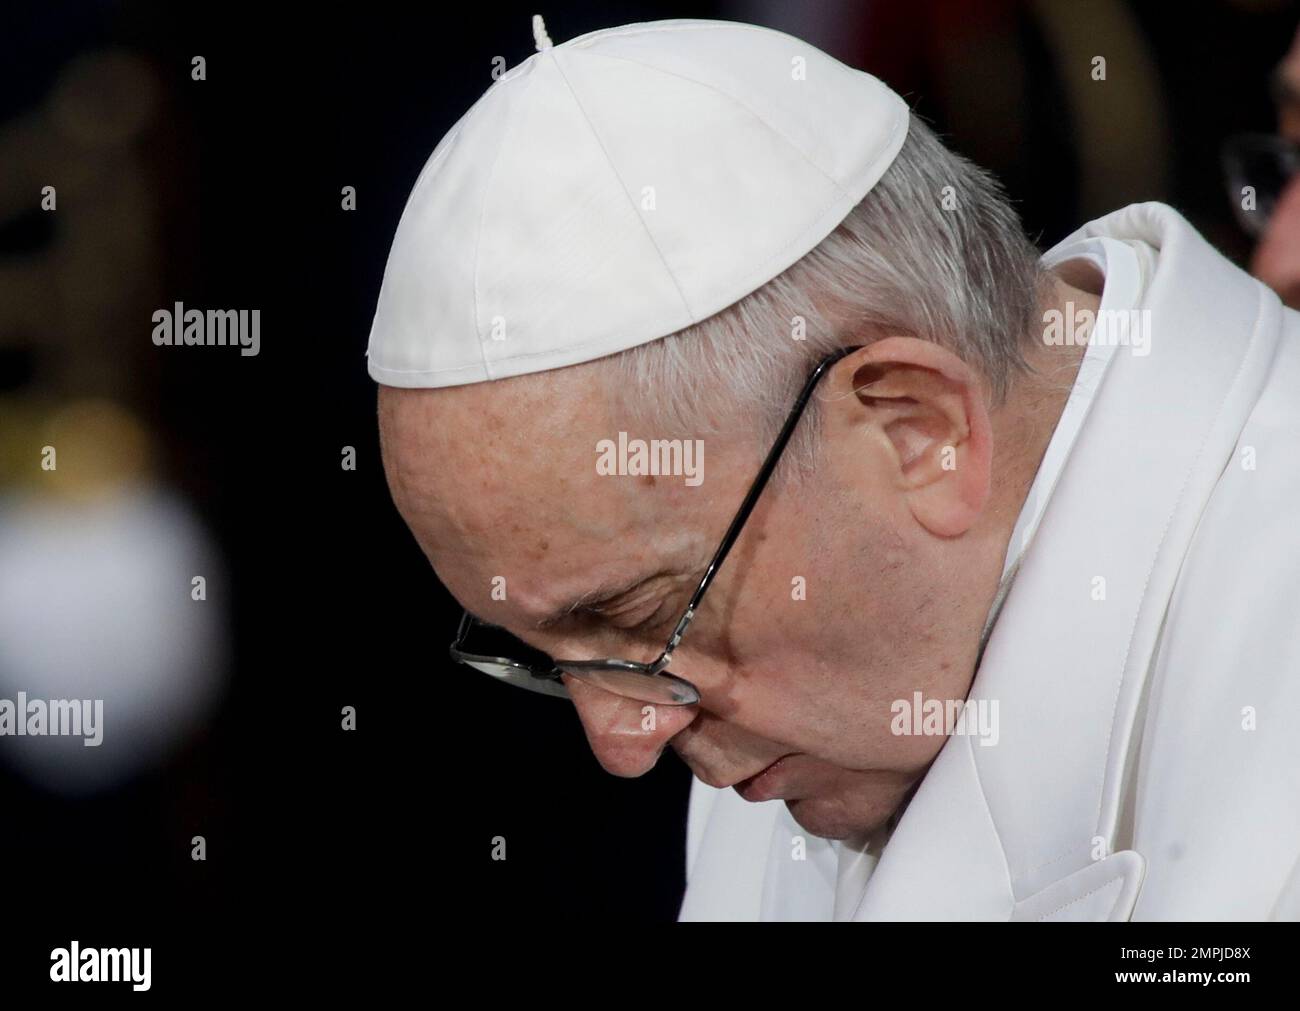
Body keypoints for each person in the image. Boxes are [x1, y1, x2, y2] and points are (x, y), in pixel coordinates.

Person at [369, 18, 1300, 920]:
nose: (623, 744)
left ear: (914, 426)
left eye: (639, 618)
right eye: (544, 653)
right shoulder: (799, 674)